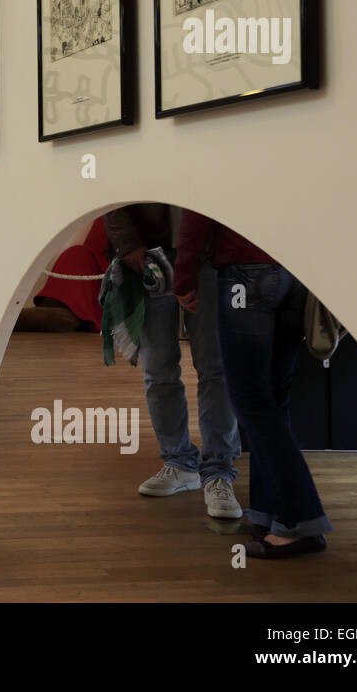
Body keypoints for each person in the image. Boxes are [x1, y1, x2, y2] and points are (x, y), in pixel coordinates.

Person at [174, 212, 331, 558]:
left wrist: (183, 276)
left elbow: (198, 208)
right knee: (274, 399)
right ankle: (268, 513)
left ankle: (300, 520)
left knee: (252, 402)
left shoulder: (217, 154)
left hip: (246, 271)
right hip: (295, 270)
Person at [104, 205, 242, 518]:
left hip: (210, 249)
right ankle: (178, 462)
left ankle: (219, 471)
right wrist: (126, 244)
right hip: (149, 254)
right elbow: (112, 186)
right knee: (157, 368)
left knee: (216, 367)